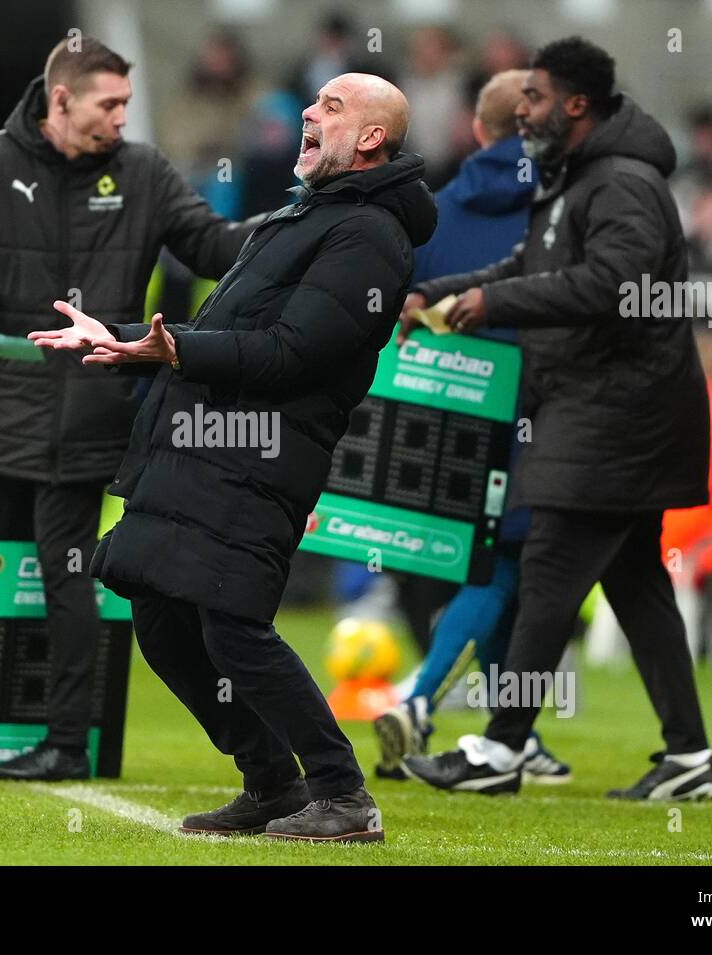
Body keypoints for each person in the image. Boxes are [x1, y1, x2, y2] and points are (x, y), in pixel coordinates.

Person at [33, 73, 436, 841]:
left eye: (331, 108)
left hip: (264, 453)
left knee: (232, 624)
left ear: (372, 139)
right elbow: (231, 329)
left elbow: (292, 354)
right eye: (314, 105)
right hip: (195, 445)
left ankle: (343, 792)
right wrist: (126, 344)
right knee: (158, 611)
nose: (308, 115)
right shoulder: (306, 212)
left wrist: (174, 348)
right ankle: (271, 780)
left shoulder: (369, 235)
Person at [0, 36, 262, 783]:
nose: (122, 119)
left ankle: (66, 742)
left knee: (65, 570)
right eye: (110, 105)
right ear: (60, 100)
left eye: (127, 104)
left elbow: (212, 246)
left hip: (92, 406)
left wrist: (293, 229)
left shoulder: (144, 172)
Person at [400, 37, 712, 801]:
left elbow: (616, 282)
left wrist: (496, 303)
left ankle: (502, 747)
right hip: (603, 407)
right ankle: (689, 757)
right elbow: (524, 271)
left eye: (536, 96)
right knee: (637, 583)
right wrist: (445, 294)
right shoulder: (574, 177)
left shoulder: (623, 182)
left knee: (547, 570)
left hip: (620, 412)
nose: (523, 109)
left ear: (577, 103)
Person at [372, 69, 569, 785]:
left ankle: (508, 733)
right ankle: (425, 700)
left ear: (478, 130)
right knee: (503, 570)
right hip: (539, 417)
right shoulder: (560, 205)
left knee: (482, 574)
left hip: (436, 427)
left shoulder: (431, 212)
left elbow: (397, 312)